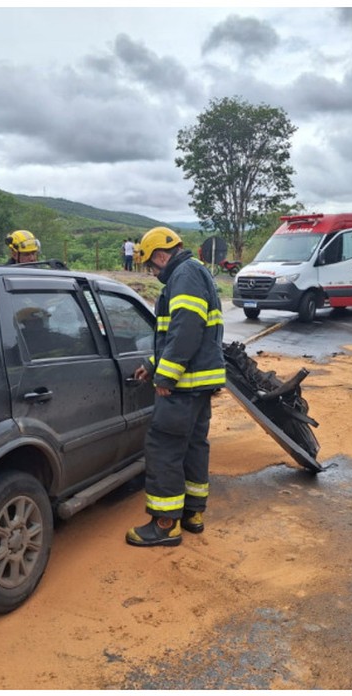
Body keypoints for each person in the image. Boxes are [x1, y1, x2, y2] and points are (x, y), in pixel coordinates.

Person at [126, 226, 225, 547]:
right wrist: (154, 366)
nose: (152, 273)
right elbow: (177, 334)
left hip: (183, 386)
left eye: (150, 266)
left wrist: (165, 376)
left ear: (160, 255)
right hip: (197, 384)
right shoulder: (194, 273)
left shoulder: (183, 276)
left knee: (165, 449)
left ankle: (165, 524)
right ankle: (192, 514)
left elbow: (186, 330)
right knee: (194, 447)